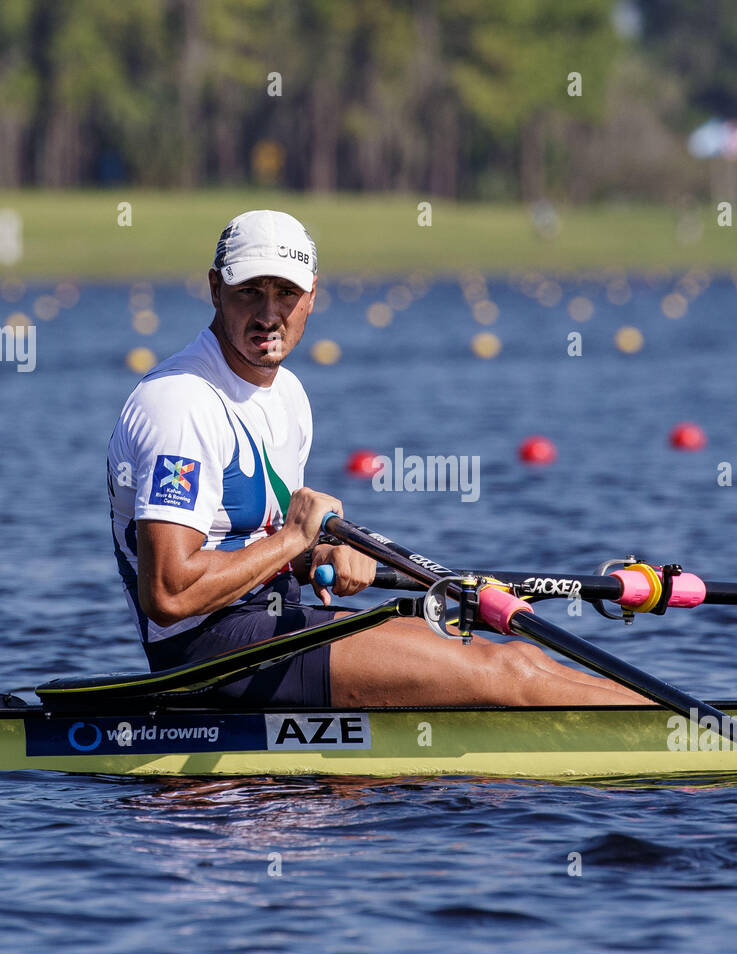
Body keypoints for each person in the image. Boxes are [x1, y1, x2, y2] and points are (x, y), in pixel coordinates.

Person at [107, 209, 647, 708]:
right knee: (506, 670)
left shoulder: (288, 395)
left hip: (280, 622)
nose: (268, 314)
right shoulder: (180, 403)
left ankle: (669, 724)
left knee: (521, 656)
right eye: (249, 292)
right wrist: (295, 540)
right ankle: (689, 743)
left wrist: (320, 555)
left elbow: (258, 542)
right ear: (214, 290)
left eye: (286, 293)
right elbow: (169, 592)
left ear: (312, 295)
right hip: (207, 655)